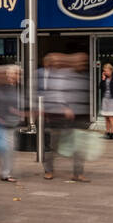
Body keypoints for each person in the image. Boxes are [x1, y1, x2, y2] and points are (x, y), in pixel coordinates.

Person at [42, 51, 91, 183]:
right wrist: (65, 107)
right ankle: (49, 170)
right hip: (60, 117)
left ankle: (78, 173)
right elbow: (57, 93)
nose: (83, 64)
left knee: (79, 147)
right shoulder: (63, 74)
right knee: (54, 146)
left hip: (78, 117)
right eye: (81, 61)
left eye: (84, 62)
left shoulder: (83, 76)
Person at [97, 62, 113, 139]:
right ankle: (107, 132)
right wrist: (103, 79)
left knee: (111, 117)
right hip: (105, 99)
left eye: (106, 70)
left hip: (112, 99)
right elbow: (100, 87)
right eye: (104, 70)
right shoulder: (105, 79)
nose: (105, 72)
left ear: (111, 70)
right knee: (106, 117)